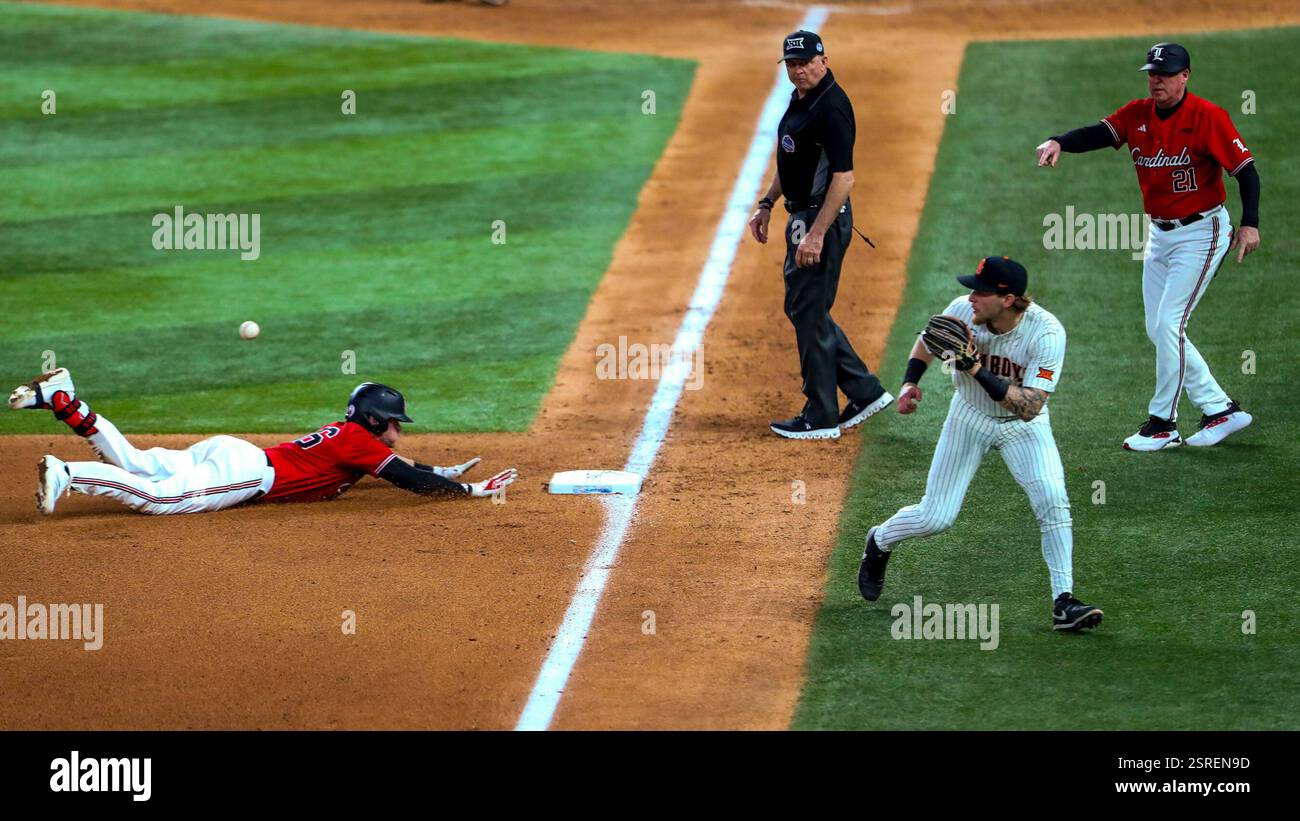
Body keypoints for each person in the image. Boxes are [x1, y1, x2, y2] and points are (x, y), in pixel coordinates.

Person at [856, 257, 1103, 632]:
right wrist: (910, 383)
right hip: (968, 416)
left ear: (1007, 299)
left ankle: (1063, 602)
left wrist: (974, 368)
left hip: (1023, 427)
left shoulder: (1047, 333)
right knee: (935, 517)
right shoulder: (961, 311)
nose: (970, 297)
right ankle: (880, 540)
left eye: (981, 291)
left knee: (1053, 499)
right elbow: (927, 341)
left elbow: (1030, 407)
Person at [1036, 42, 1259, 451]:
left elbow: (1246, 171)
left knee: (1169, 324)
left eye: (1165, 74)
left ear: (1185, 76)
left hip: (1202, 233)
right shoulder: (1138, 114)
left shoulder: (1208, 118)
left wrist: (1250, 224)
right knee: (1159, 329)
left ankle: (1162, 424)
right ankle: (1219, 409)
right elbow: (1098, 134)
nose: (1156, 80)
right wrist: (1059, 142)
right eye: (1152, 74)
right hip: (1159, 235)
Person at [8, 368, 516, 515]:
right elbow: (402, 476)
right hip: (245, 474)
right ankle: (69, 473)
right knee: (160, 499)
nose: (398, 430)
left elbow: (400, 463)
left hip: (232, 451)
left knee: (140, 461)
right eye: (395, 423)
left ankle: (64, 400)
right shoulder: (361, 441)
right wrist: (468, 492)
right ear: (374, 420)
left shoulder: (352, 438)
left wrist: (441, 472)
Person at [747, 29, 892, 441]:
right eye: (790, 65)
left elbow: (844, 178)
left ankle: (822, 413)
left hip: (819, 220)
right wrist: (767, 202)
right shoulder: (802, 98)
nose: (797, 71)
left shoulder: (832, 108)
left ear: (823, 61)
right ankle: (863, 391)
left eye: (804, 63)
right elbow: (793, 159)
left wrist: (815, 235)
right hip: (801, 217)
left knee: (808, 309)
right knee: (804, 307)